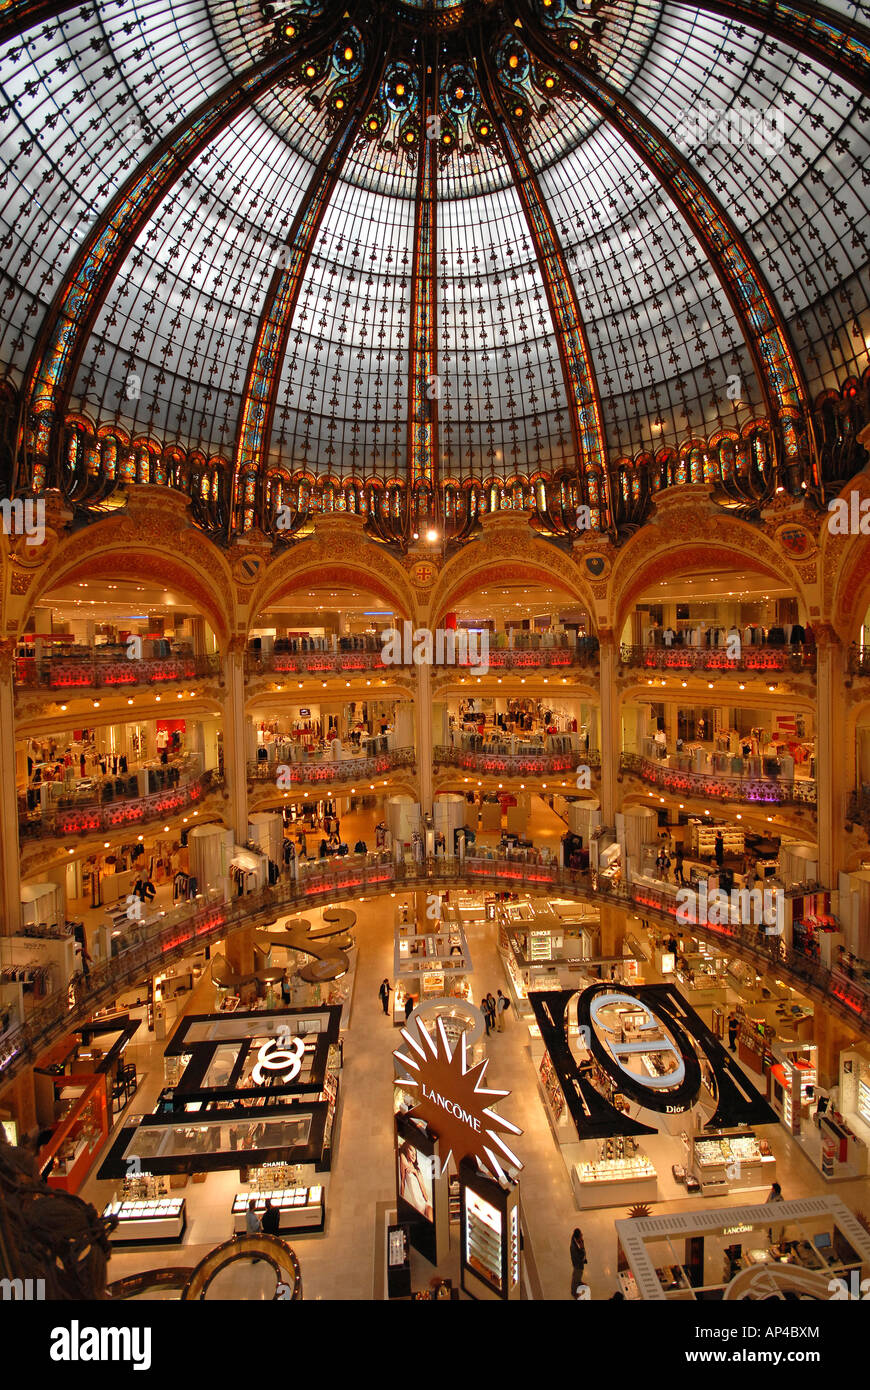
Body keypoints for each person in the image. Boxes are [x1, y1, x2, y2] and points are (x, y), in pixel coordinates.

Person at [570, 1228, 587, 1294]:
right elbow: (578, 1258)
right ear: (577, 1238)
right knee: (576, 1276)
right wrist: (582, 1248)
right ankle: (573, 1292)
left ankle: (579, 1281)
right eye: (581, 1235)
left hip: (580, 1263)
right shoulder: (573, 1248)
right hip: (577, 1264)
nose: (582, 1236)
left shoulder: (578, 1240)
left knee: (579, 1274)